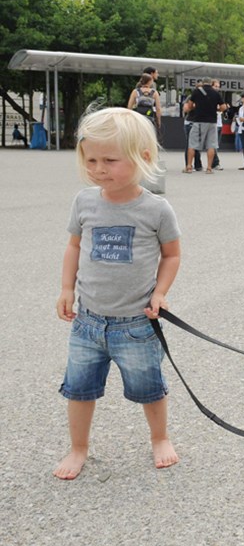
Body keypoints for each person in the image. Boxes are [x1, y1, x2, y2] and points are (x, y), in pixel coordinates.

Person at [54, 107, 181, 480]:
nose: (98, 168)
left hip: (136, 325)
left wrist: (160, 293)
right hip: (87, 322)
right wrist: (65, 288)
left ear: (143, 158)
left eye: (110, 160)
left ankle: (160, 437)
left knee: (150, 388)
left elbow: (172, 255)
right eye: (90, 159)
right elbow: (74, 247)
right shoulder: (85, 201)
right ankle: (78, 447)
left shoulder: (156, 209)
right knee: (79, 390)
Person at [184, 78, 226, 173]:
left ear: (202, 83)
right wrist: (216, 110)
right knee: (211, 145)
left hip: (198, 120)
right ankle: (209, 168)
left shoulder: (196, 92)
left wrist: (197, 107)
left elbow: (190, 105)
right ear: (211, 83)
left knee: (192, 144)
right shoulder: (216, 93)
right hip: (212, 121)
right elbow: (223, 107)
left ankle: (189, 166)